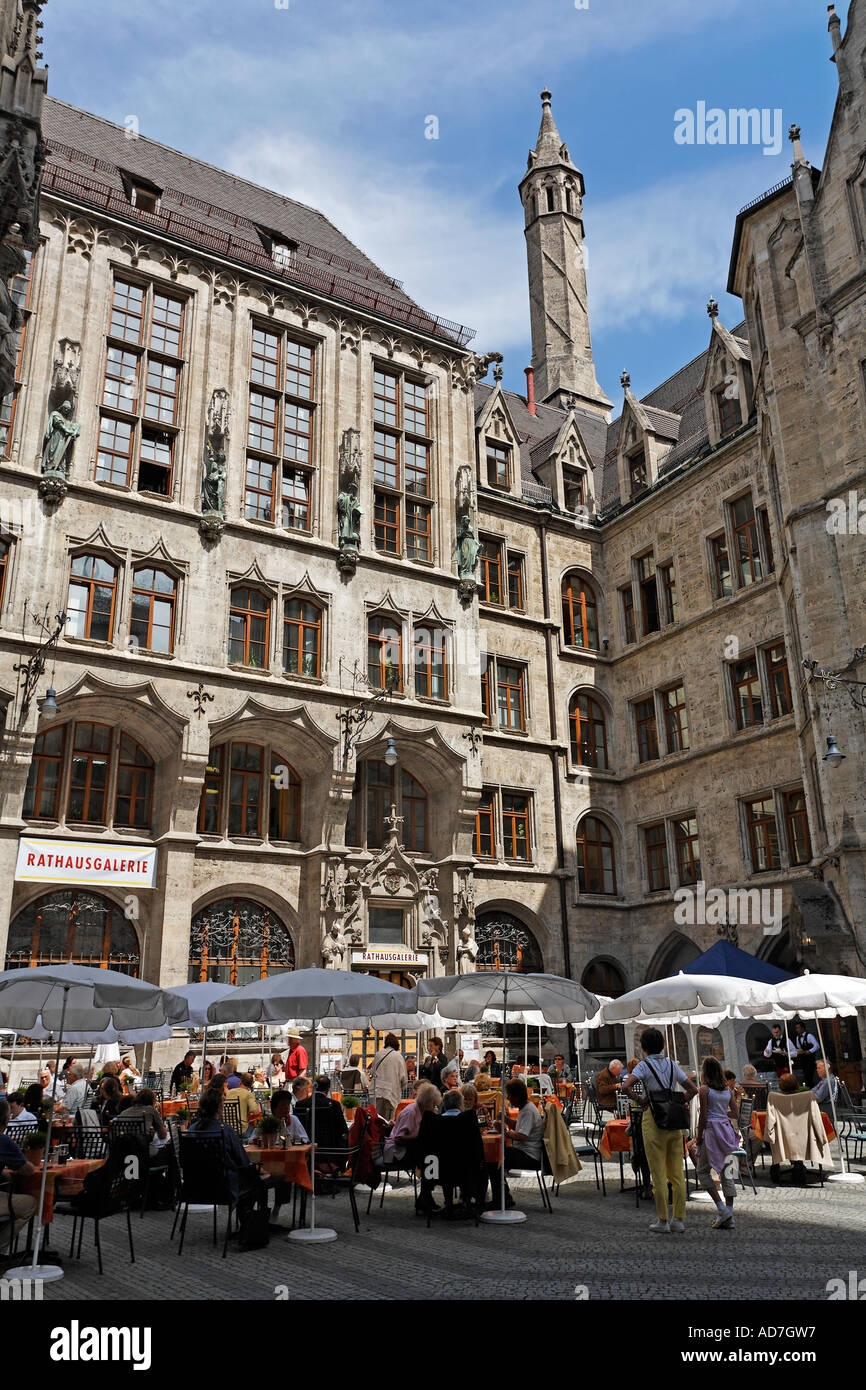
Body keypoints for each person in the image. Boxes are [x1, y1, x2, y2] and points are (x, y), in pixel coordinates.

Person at [622, 1028, 697, 1235]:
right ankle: (679, 1219)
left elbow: (625, 1087)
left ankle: (663, 1220)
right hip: (674, 1122)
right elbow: (693, 1089)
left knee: (658, 1172)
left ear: (643, 1047)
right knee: (676, 1173)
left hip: (653, 1121)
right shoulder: (672, 1064)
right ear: (662, 1045)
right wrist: (678, 1100)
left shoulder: (644, 1066)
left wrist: (641, 1100)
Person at [187, 1087, 267, 1218]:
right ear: (219, 1108)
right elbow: (243, 1160)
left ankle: (247, 1223)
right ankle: (251, 1224)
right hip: (224, 1187)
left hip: (195, 1186)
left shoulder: (191, 1130)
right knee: (258, 1183)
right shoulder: (225, 1130)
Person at [692, 1056, 741, 1230]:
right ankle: (729, 1213)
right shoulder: (727, 1090)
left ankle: (721, 1207)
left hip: (712, 1132)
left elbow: (703, 1116)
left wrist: (698, 1137)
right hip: (726, 1132)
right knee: (727, 1171)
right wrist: (722, 1116)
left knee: (702, 1170)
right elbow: (735, 1113)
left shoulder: (704, 1090)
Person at [488, 1079, 544, 1210]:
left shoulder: (528, 1111)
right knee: (497, 1157)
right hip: (524, 1152)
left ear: (517, 1097)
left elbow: (522, 1136)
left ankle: (501, 1199)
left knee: (494, 1160)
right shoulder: (525, 1108)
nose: (508, 1099)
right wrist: (506, 1120)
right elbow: (520, 1127)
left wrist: (503, 1131)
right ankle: (504, 1196)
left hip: (529, 1156)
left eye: (510, 1096)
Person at [0, 1098, 38, 1254]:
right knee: (30, 1203)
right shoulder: (4, 1141)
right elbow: (28, 1170)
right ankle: (1, 1246)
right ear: (7, 1120)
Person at [295, 1075, 348, 1150]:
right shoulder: (334, 1105)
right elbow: (343, 1129)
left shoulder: (300, 1104)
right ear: (328, 1089)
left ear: (314, 1087)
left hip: (306, 1148)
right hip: (329, 1149)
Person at [116, 1086, 168, 1156]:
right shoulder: (150, 1110)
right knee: (167, 1150)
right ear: (152, 1101)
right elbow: (162, 1135)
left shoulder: (124, 1113)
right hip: (144, 1150)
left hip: (123, 1151)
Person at [370, 1033, 407, 1121]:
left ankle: (376, 1134)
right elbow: (403, 1076)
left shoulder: (378, 1054)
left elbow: (372, 1071)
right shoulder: (398, 1056)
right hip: (391, 1093)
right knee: (388, 1120)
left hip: (377, 1090)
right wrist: (403, 1087)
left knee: (377, 1118)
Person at [225, 1072, 263, 1138]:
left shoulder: (229, 1092)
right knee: (259, 1126)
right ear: (251, 1085)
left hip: (227, 1128)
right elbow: (256, 1112)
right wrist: (259, 1105)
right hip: (241, 1130)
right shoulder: (248, 1095)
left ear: (240, 1082)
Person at [792, 1021, 820, 1087]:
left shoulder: (809, 1036)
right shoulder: (797, 1038)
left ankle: (812, 1090)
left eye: (798, 1028)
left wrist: (810, 1051)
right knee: (806, 1077)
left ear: (802, 1028)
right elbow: (799, 1047)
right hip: (803, 1060)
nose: (797, 1030)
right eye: (796, 1028)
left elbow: (817, 1046)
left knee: (810, 1077)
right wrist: (798, 1051)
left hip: (810, 1060)